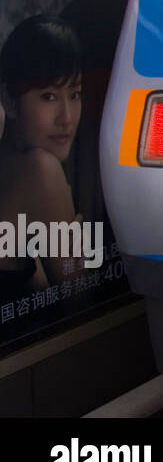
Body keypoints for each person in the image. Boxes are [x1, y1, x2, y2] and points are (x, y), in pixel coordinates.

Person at [0, 15, 84, 299]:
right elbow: (79, 302)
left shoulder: (12, 168)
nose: (67, 118)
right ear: (10, 102)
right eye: (48, 96)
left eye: (74, 94)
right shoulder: (39, 170)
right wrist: (75, 252)